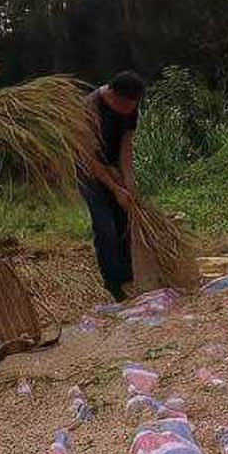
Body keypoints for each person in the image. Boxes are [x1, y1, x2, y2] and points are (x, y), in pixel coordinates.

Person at [80, 71, 146, 302]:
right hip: (87, 168)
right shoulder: (90, 108)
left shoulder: (131, 107)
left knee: (125, 218)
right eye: (127, 106)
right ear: (113, 96)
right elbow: (87, 157)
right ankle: (115, 284)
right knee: (105, 225)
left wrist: (129, 183)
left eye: (134, 106)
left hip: (113, 166)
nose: (130, 111)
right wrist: (115, 189)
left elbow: (126, 149)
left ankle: (130, 276)